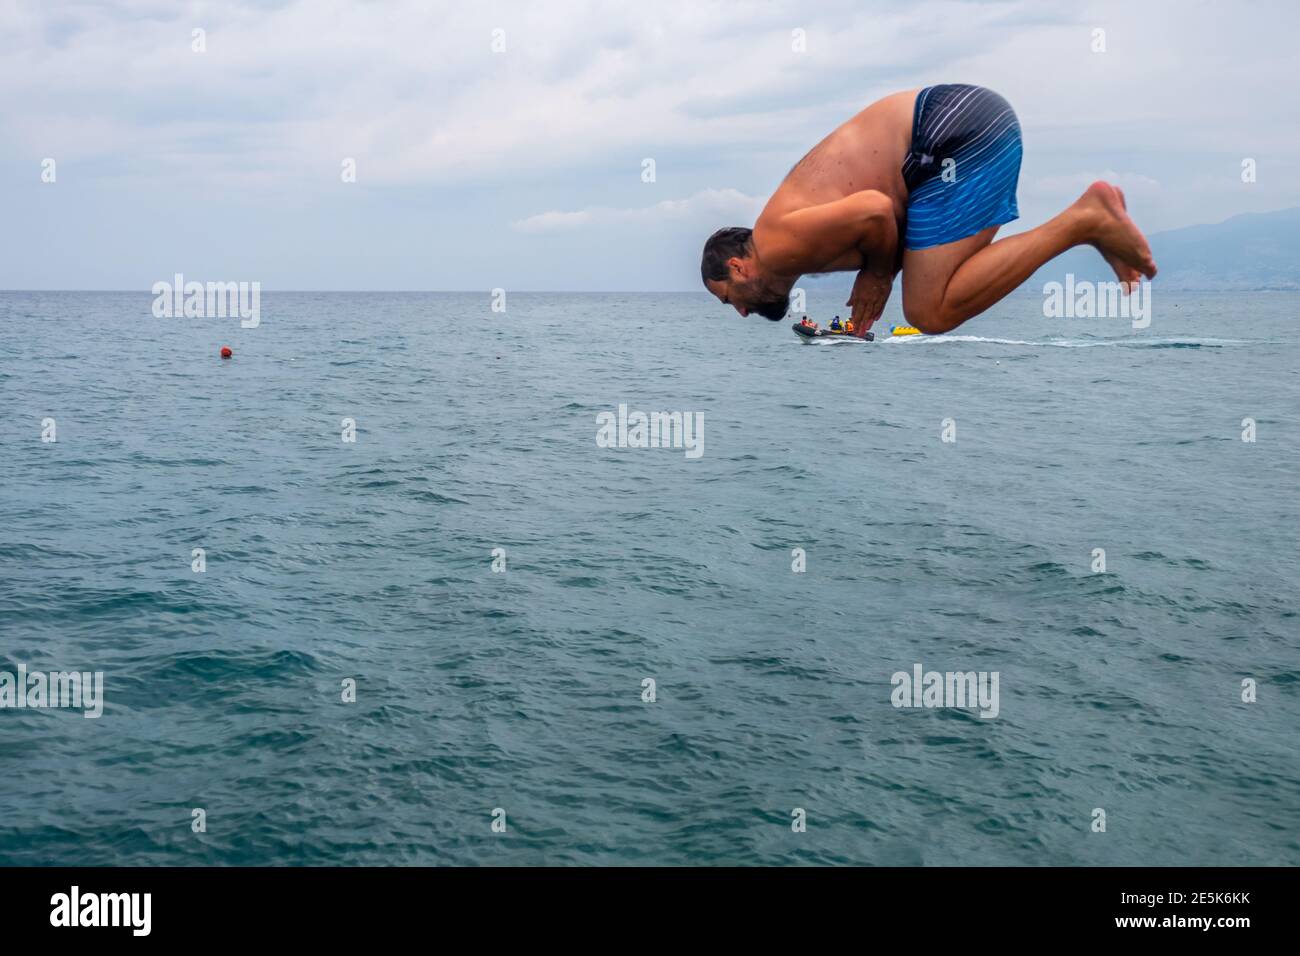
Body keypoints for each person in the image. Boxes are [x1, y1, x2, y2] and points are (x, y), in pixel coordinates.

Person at [700, 84, 1155, 336]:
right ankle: (1094, 227)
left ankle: (1086, 220)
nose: (740, 313)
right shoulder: (792, 241)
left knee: (928, 310)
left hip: (943, 134)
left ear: (739, 268)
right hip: (966, 121)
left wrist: (879, 274)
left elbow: (876, 209)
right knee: (937, 295)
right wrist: (885, 268)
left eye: (727, 299)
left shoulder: (776, 245)